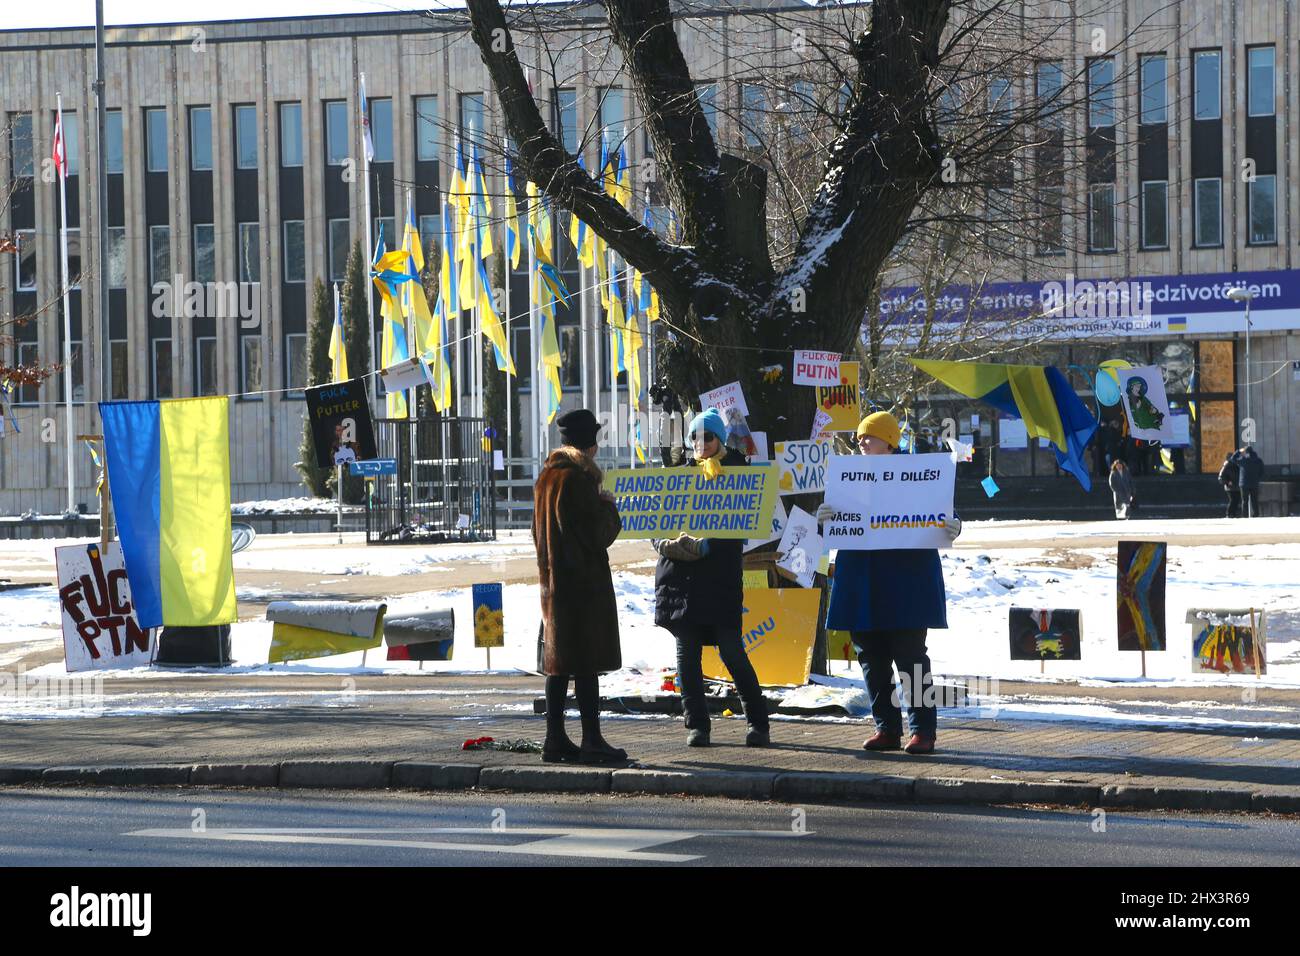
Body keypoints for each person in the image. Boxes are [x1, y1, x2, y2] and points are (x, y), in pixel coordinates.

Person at [818, 411, 961, 756]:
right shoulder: (849, 476)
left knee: (911, 657)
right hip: (862, 578)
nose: (861, 442)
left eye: (869, 436)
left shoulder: (918, 473)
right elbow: (838, 521)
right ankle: (886, 728)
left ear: (890, 441)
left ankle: (923, 731)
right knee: (871, 656)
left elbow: (940, 509)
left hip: (907, 579)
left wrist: (954, 524)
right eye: (859, 438)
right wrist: (825, 519)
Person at [652, 407, 770, 748]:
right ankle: (697, 726)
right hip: (681, 581)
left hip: (719, 580)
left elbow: (741, 525)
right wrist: (664, 544)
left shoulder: (739, 473)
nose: (700, 443)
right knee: (687, 658)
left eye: (708, 436)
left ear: (720, 438)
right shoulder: (679, 476)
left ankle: (758, 723)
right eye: (695, 437)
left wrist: (707, 545)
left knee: (732, 652)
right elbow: (655, 521)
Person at [531, 408, 628, 764]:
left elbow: (536, 532)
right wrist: (609, 508)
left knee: (558, 665)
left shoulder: (546, 478)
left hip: (554, 587)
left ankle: (554, 739)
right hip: (582, 588)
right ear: (588, 445)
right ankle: (592, 740)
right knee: (587, 664)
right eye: (596, 441)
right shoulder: (577, 480)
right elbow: (596, 535)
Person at [1236, 446, 1265, 518]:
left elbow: (1232, 459)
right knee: (1254, 500)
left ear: (1246, 452)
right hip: (1254, 483)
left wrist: (1239, 451)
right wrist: (1257, 479)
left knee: (1244, 501)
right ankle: (1256, 514)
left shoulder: (1243, 460)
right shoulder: (1258, 460)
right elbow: (1262, 471)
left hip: (1244, 484)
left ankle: (1244, 516)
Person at [1217, 452, 1241, 518]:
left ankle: (1233, 514)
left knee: (1236, 500)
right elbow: (1221, 477)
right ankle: (1229, 513)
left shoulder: (1237, 464)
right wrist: (1227, 482)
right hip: (1230, 487)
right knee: (1233, 500)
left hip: (1237, 486)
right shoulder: (1227, 465)